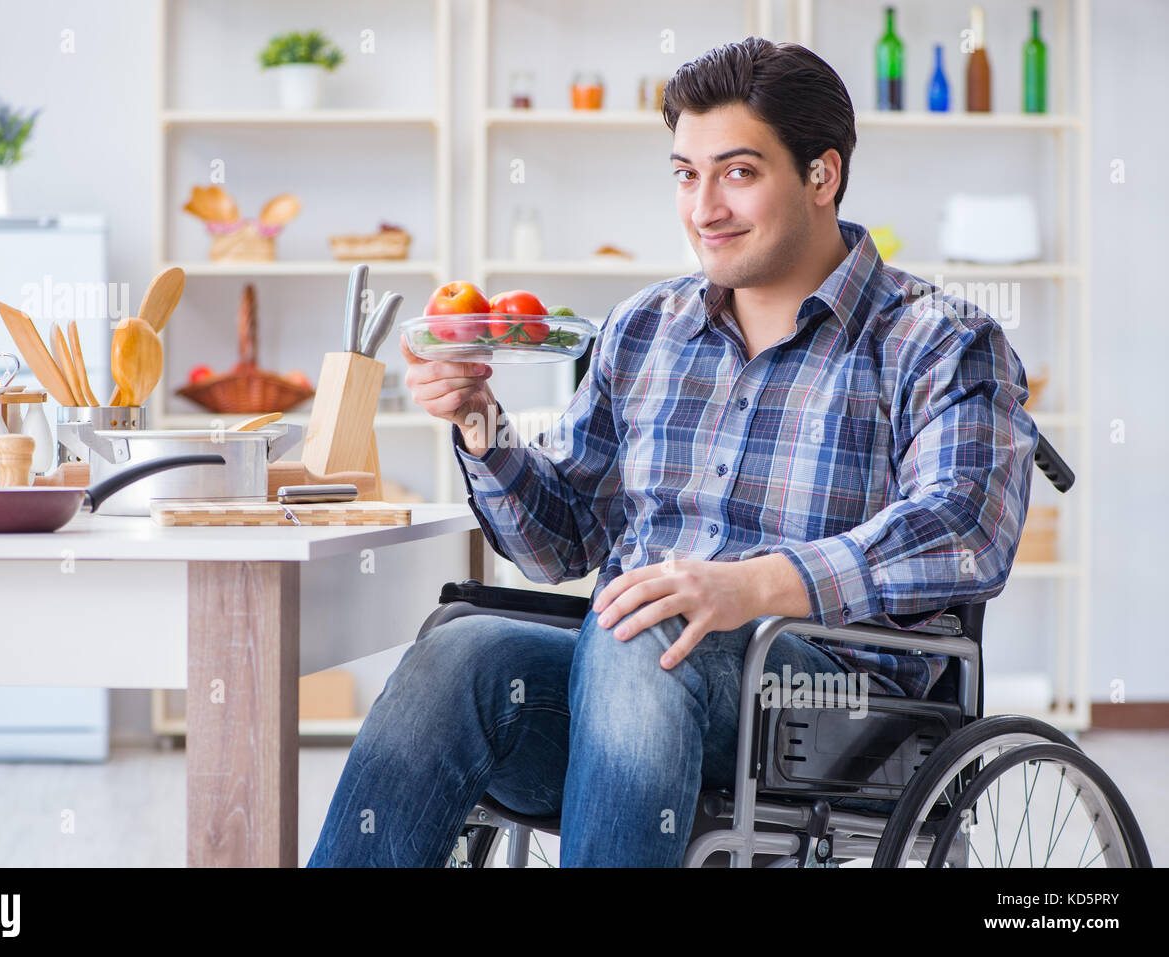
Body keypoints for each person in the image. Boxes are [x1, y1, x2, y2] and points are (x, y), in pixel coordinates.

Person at [308, 36, 1037, 867]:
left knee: (649, 625)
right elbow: (565, 541)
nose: (704, 208)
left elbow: (964, 530)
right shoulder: (644, 328)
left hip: (835, 706)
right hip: (629, 699)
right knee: (458, 654)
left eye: (737, 172)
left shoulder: (940, 339)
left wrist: (750, 586)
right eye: (686, 175)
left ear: (821, 174)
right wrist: (483, 426)